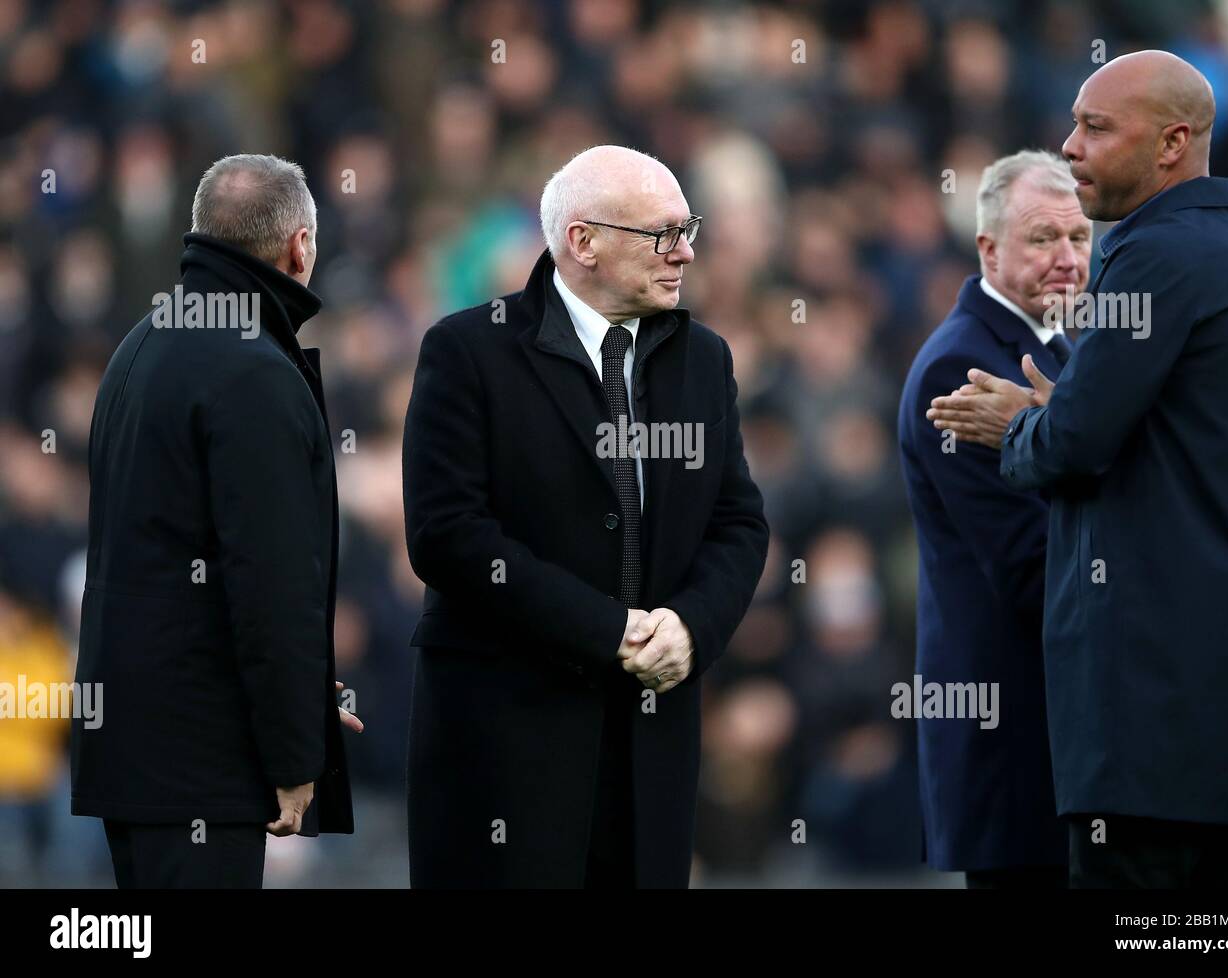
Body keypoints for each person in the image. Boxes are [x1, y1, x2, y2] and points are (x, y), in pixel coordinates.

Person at [928, 51, 1228, 888]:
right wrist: (1061, 413)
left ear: (1172, 143)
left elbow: (1073, 446)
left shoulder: (1151, 255)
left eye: (1096, 127)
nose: (1070, 146)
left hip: (1145, 699)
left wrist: (1026, 423)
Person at [403, 144, 769, 888]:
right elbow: (447, 536)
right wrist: (612, 630)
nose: (687, 252)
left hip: (652, 750)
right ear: (583, 242)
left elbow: (739, 522)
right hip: (506, 748)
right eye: (663, 233)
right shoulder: (469, 350)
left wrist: (690, 626)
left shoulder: (705, 360)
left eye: (688, 228)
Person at [71, 154, 359, 888]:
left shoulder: (140, 345)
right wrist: (298, 755)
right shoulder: (256, 370)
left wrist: (299, 698)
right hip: (206, 759)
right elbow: (270, 583)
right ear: (300, 247)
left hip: (134, 751)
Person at [899, 150, 1090, 888]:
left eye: (1079, 239)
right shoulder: (965, 369)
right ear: (988, 248)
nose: (1068, 259)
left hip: (1058, 735)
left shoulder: (1061, 349)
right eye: (1044, 239)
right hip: (1016, 740)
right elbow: (1032, 564)